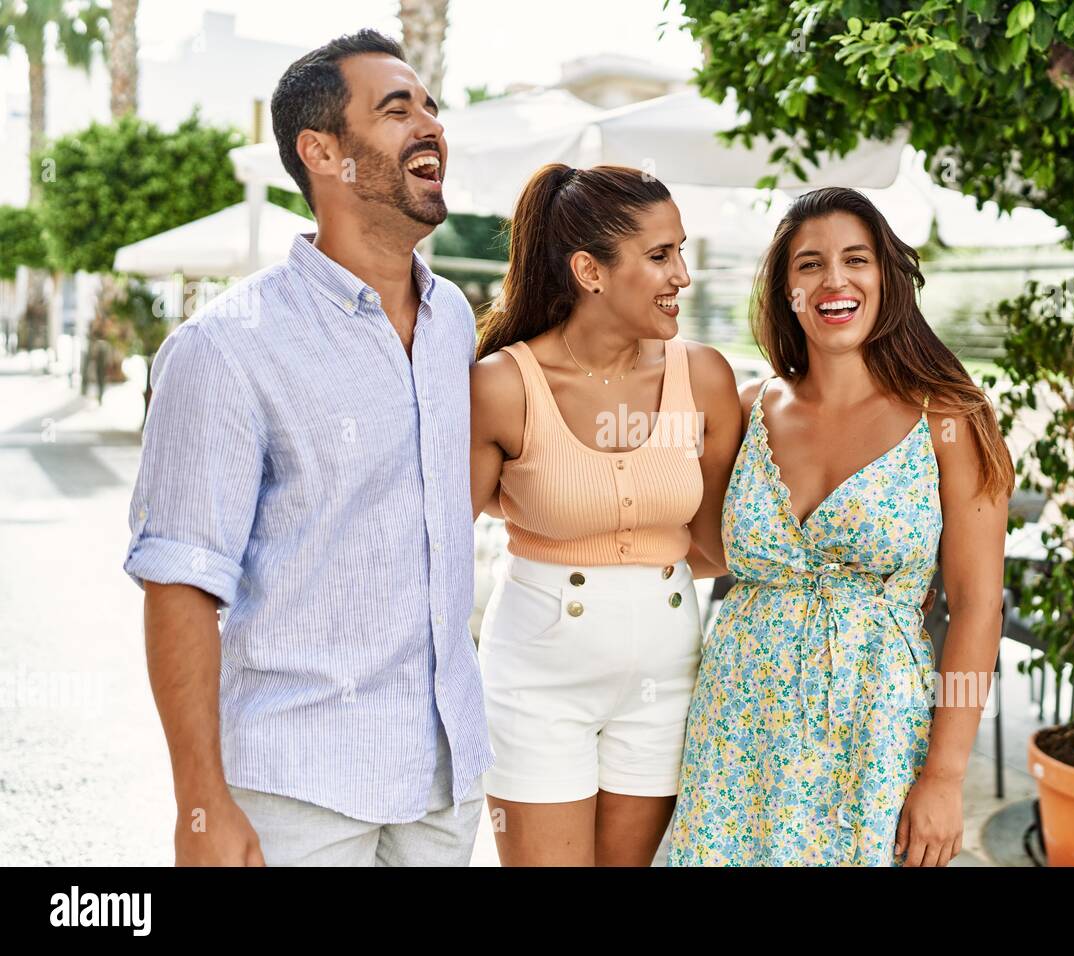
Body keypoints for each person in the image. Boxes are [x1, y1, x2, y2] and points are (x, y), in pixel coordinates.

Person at [123, 30, 493, 866]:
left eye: (430, 107)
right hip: (297, 787)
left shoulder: (452, 323)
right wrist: (200, 805)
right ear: (322, 152)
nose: (430, 125)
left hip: (445, 779)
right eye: (396, 110)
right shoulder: (224, 348)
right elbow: (180, 583)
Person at [668, 186, 1014, 866]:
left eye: (856, 259)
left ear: (885, 277)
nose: (835, 280)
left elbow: (977, 607)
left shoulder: (949, 418)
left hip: (877, 730)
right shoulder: (747, 408)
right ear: (786, 289)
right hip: (737, 727)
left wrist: (946, 776)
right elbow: (700, 551)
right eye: (810, 264)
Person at [469, 163, 743, 865]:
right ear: (589, 271)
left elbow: (717, 546)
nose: (683, 275)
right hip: (535, 678)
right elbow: (436, 547)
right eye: (660, 255)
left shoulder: (705, 378)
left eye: (680, 251)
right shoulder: (501, 387)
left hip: (667, 673)